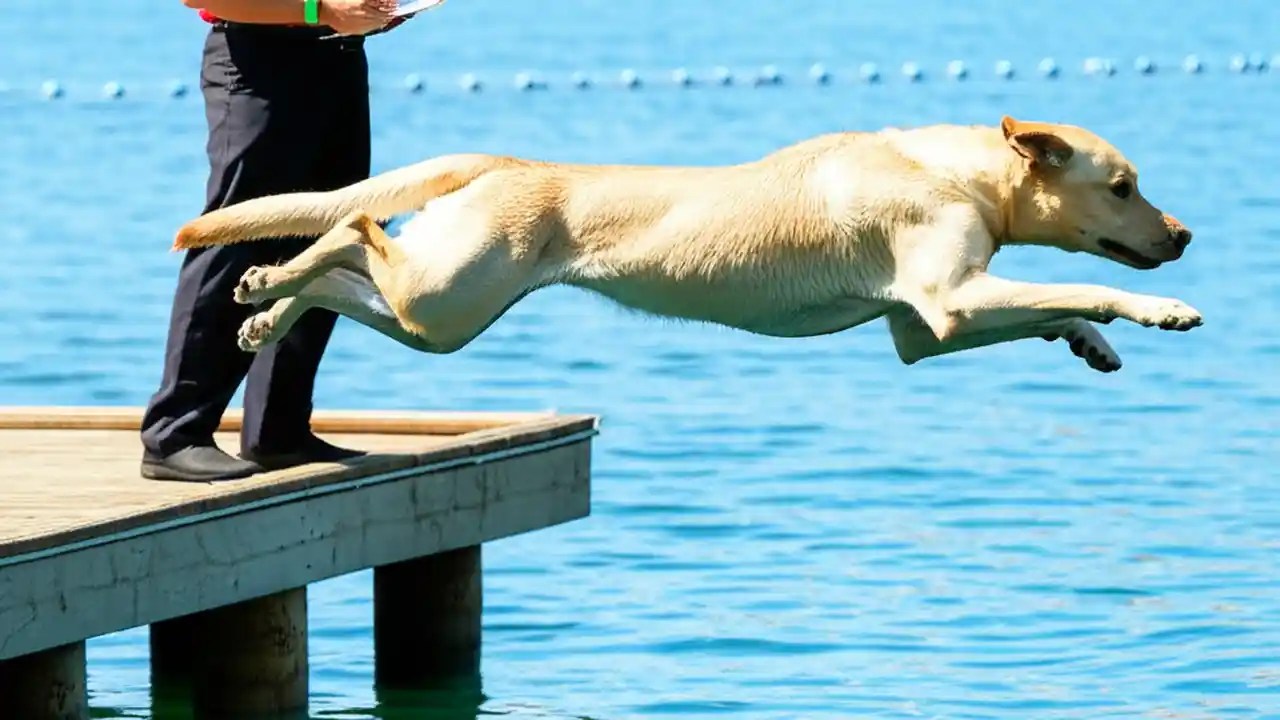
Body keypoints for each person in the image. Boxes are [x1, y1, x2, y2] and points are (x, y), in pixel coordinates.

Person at [140, 0, 405, 481]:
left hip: (338, 57)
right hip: (258, 62)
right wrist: (319, 9)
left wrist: (363, 14)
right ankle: (173, 434)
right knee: (236, 235)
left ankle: (276, 430)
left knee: (332, 240)